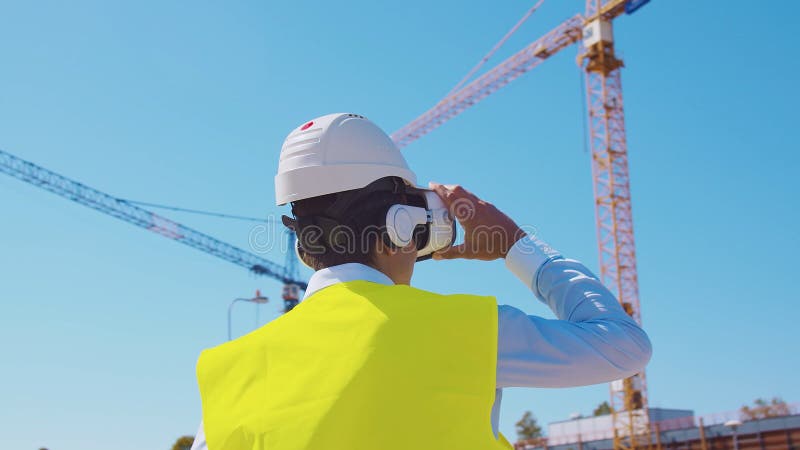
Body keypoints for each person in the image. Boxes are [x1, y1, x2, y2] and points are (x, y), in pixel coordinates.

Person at [190, 113, 652, 450]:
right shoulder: (460, 330)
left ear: (303, 245)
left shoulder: (229, 373)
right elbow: (623, 346)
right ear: (400, 227)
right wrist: (514, 244)